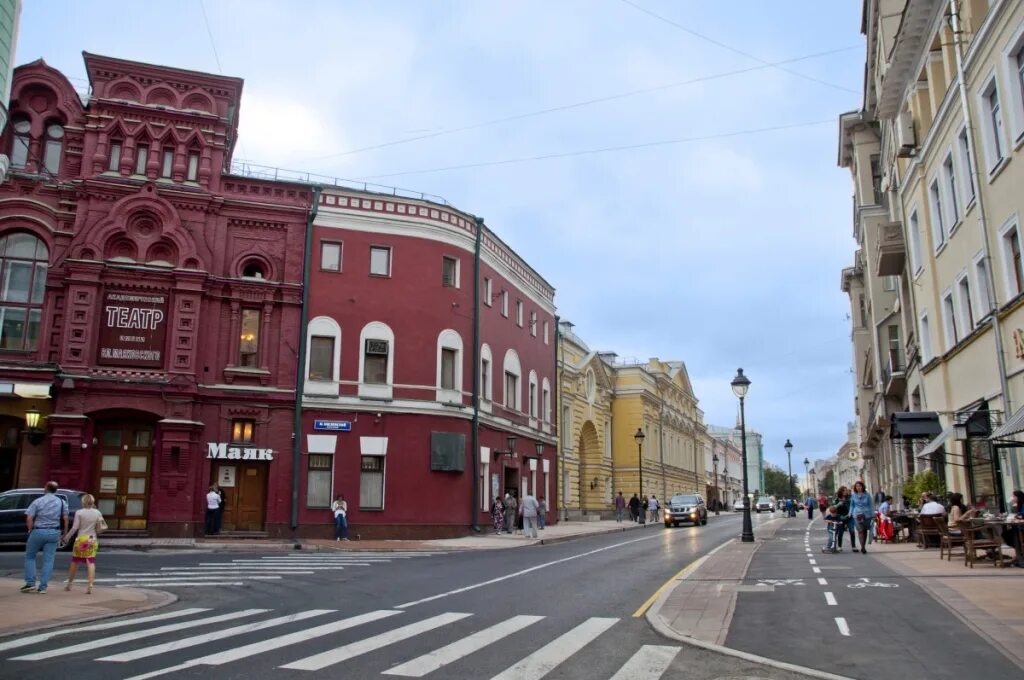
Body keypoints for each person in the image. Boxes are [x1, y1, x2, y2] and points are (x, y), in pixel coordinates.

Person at [22, 481, 68, 594]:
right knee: (49, 560)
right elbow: (65, 518)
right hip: (54, 532)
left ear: (46, 488)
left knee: (30, 556)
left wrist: (30, 529)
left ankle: (30, 583)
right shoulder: (62, 502)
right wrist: (64, 533)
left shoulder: (38, 501)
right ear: (56, 490)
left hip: (38, 530)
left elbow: (29, 518)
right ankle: (43, 587)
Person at [62, 493, 105, 594]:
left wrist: (67, 537)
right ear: (92, 502)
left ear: (83, 502)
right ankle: (90, 585)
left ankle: (69, 584)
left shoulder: (79, 512)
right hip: (92, 539)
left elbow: (75, 527)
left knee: (75, 561)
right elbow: (101, 526)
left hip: (81, 539)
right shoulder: (97, 512)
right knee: (91, 562)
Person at [849, 480, 874, 554]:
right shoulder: (853, 495)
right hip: (857, 515)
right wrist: (850, 513)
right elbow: (852, 505)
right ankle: (862, 547)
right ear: (855, 488)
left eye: (860, 486)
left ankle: (863, 545)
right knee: (860, 530)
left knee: (864, 530)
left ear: (862, 487)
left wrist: (873, 514)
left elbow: (871, 505)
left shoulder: (867, 495)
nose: (858, 487)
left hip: (867, 515)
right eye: (857, 486)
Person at [833, 486, 852, 552]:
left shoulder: (849, 499)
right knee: (840, 532)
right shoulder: (837, 499)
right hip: (840, 517)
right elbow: (833, 508)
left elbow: (852, 506)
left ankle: (854, 546)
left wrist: (850, 513)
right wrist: (838, 504)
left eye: (846, 490)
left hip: (849, 516)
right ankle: (839, 546)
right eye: (844, 490)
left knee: (852, 531)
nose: (846, 492)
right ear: (841, 492)